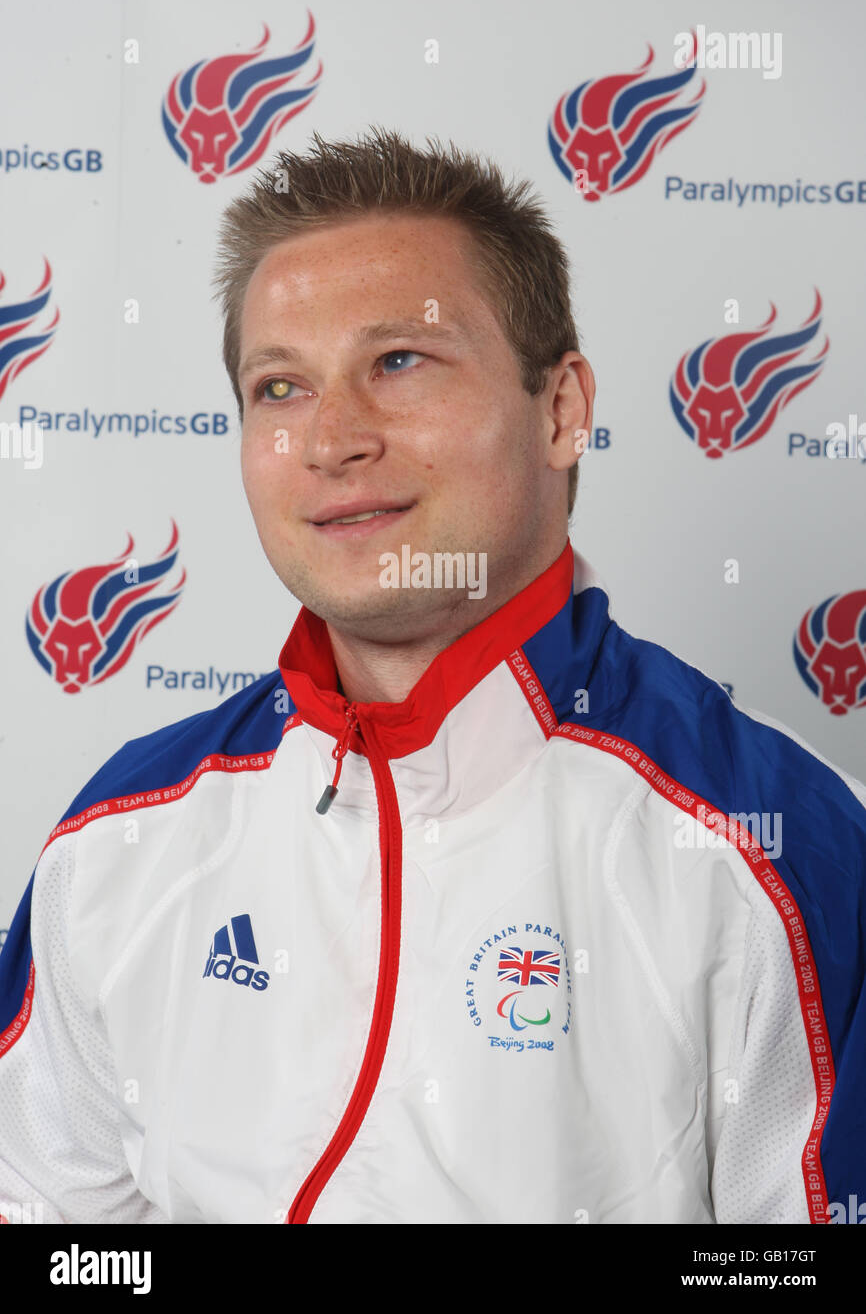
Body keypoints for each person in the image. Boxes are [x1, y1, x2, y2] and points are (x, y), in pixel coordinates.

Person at [1, 126, 864, 1226]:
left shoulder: (772, 843)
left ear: (558, 410)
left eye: (398, 361)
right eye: (279, 386)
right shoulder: (123, 833)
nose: (331, 438)